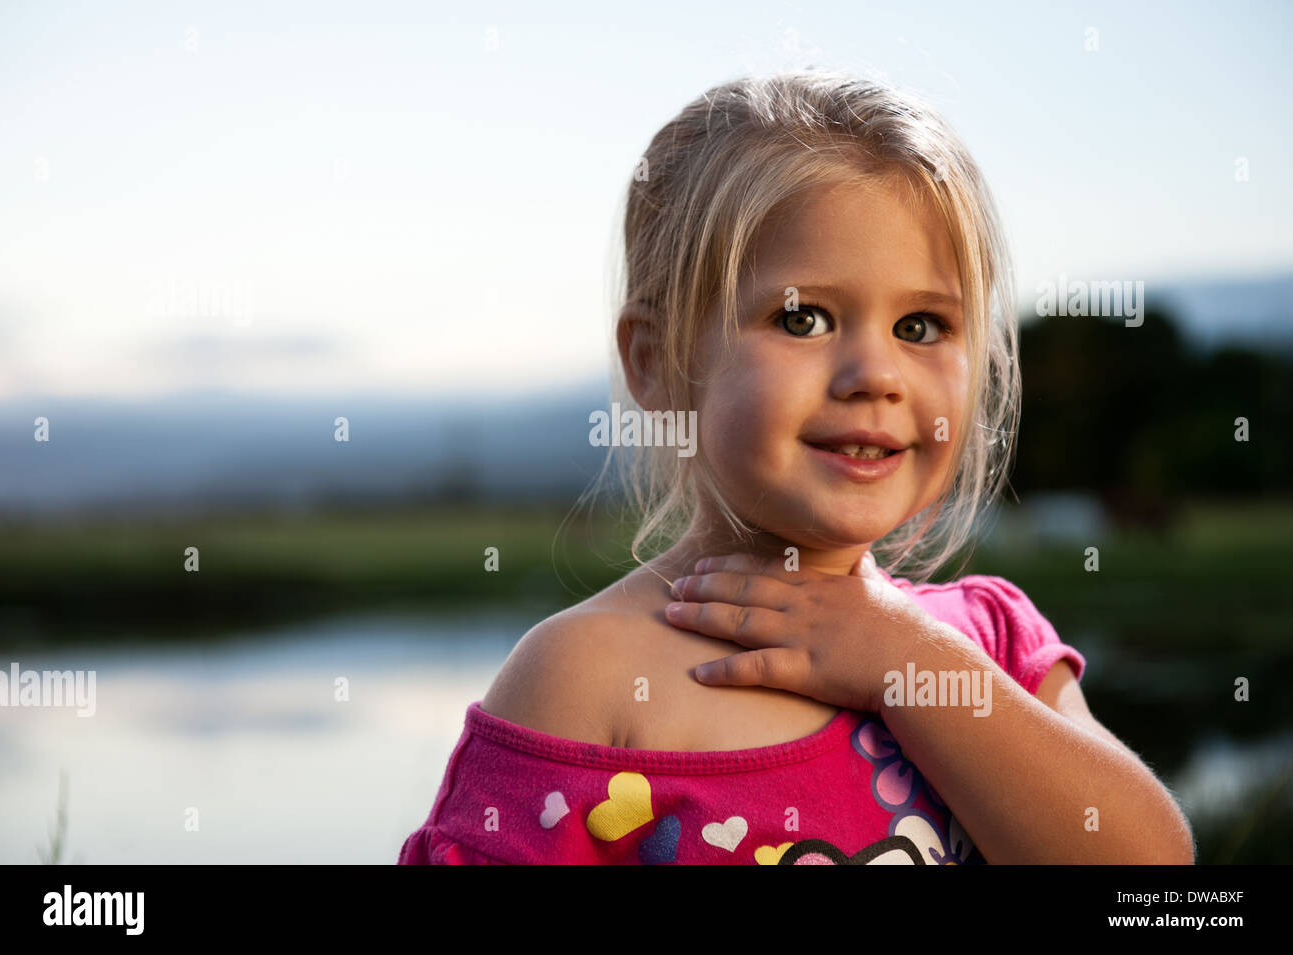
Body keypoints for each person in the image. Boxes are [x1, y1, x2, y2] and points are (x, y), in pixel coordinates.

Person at [398, 69, 1195, 865]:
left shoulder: (990, 645)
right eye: (802, 317)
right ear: (656, 360)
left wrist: (902, 660)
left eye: (920, 325)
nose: (875, 374)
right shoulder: (584, 677)